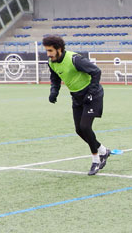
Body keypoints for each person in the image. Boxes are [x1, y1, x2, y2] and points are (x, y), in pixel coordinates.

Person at [43, 35, 112, 175]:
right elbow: (55, 79)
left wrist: (91, 93)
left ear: (59, 49)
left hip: (93, 95)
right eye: (47, 51)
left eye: (50, 51)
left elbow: (96, 71)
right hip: (77, 97)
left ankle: (96, 160)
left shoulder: (75, 59)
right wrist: (53, 92)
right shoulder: (52, 63)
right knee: (79, 130)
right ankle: (103, 151)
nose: (48, 54)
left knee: (85, 127)